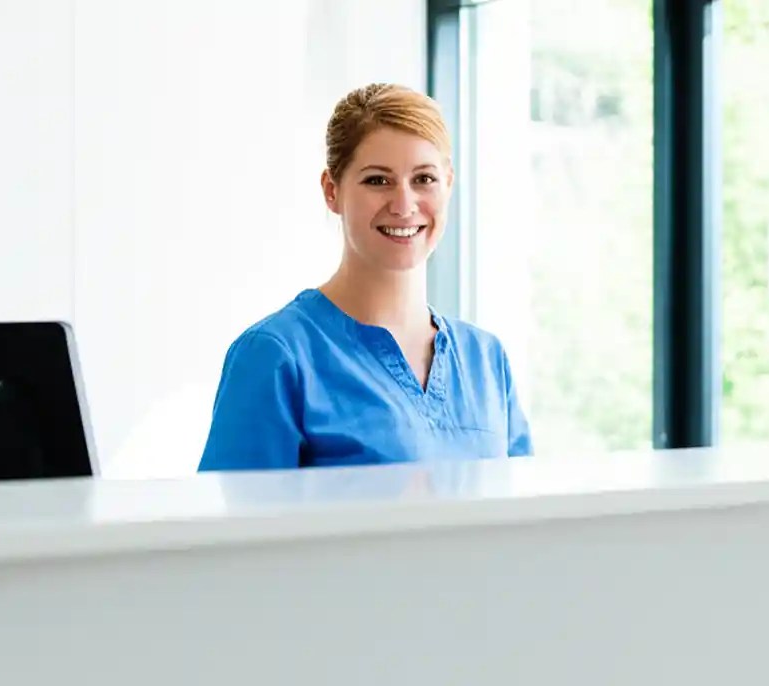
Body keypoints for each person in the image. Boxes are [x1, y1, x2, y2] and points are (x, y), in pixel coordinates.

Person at [198, 83, 533, 471]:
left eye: (424, 179)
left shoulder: (486, 360)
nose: (404, 205)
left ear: (449, 185)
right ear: (331, 191)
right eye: (378, 180)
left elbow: (521, 521)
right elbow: (233, 528)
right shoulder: (275, 356)